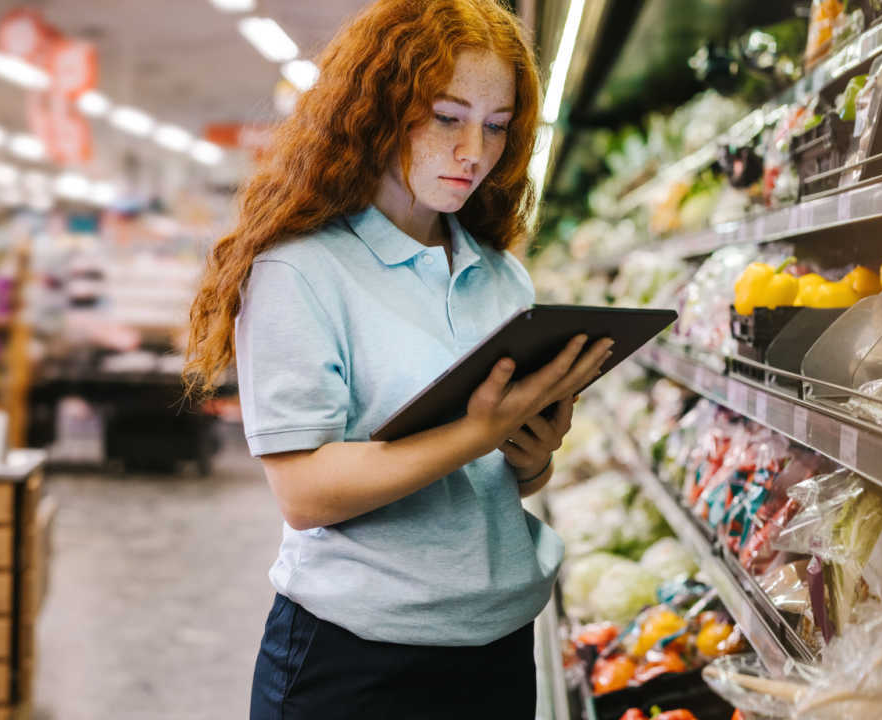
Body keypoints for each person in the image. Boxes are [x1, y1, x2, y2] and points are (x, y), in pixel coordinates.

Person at [186, 1, 613, 717]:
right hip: (356, 662)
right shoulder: (303, 272)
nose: (475, 150)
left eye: (498, 125)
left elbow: (504, 487)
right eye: (447, 116)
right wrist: (475, 431)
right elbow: (305, 491)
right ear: (379, 109)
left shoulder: (503, 278)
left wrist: (531, 454)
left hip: (497, 649)